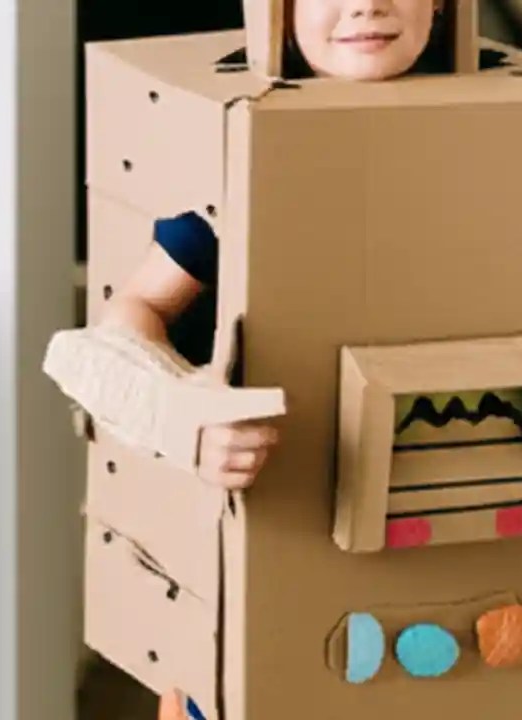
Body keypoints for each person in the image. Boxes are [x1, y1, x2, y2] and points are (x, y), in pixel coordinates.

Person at [101, 0, 445, 491]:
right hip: (295, 491)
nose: (368, 5)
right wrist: (188, 421)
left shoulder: (521, 133)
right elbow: (132, 311)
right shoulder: (245, 155)